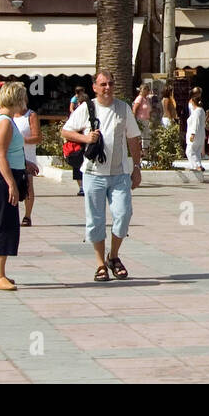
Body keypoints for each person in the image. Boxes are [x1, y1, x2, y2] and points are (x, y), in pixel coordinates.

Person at [61, 70, 143, 283]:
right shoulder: (87, 109)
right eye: (103, 84)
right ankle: (100, 264)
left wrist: (136, 167)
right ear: (95, 87)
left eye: (110, 84)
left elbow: (133, 138)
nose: (107, 88)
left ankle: (113, 256)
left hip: (119, 174)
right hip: (93, 174)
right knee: (95, 220)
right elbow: (66, 131)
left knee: (123, 215)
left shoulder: (123, 109)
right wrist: (86, 137)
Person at [0, 82, 40, 291]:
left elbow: (10, 151)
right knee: (6, 225)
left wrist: (25, 164)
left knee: (2, 221)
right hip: (2, 178)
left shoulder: (3, 119)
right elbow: (0, 154)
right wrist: (11, 185)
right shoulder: (5, 122)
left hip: (7, 174)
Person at [13, 103, 40, 227]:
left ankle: (27, 216)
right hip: (12, 157)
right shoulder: (10, 115)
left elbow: (37, 138)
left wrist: (21, 140)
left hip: (27, 157)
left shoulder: (31, 115)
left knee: (28, 187)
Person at [64, 88, 89, 196]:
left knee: (78, 165)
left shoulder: (78, 112)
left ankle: (82, 187)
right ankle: (84, 187)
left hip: (78, 143)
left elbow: (67, 130)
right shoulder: (90, 111)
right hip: (85, 143)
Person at [185, 88, 206, 172]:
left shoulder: (197, 111)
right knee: (197, 152)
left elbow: (195, 124)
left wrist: (193, 134)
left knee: (189, 151)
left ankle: (197, 166)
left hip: (195, 134)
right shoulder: (201, 110)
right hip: (200, 134)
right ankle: (198, 165)